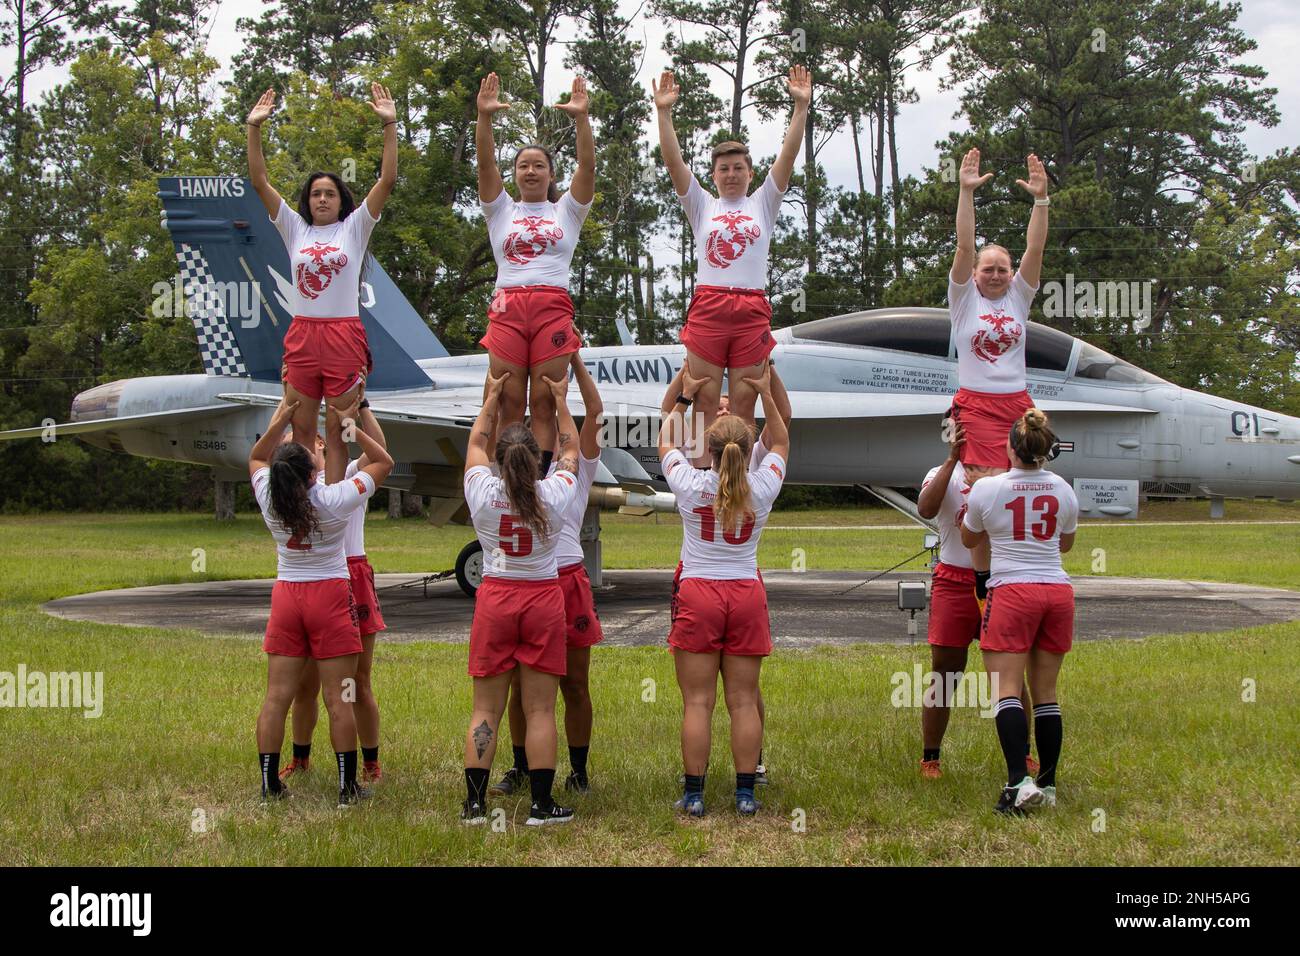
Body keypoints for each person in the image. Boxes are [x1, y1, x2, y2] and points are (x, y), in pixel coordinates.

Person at [246, 84, 398, 483]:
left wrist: (390, 124)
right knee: (300, 427)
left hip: (343, 335)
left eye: (330, 193)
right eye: (316, 194)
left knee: (340, 429)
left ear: (341, 199)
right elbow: (260, 181)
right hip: (303, 334)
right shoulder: (294, 229)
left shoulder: (355, 228)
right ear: (307, 200)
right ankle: (303, 498)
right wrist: (254, 129)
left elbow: (387, 180)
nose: (323, 199)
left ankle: (333, 503)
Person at [658, 364, 789, 816]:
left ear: (709, 450)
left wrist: (683, 395)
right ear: (748, 447)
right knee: (743, 700)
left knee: (697, 700)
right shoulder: (763, 487)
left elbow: (666, 439)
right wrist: (764, 391)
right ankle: (745, 794)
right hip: (745, 592)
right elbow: (783, 437)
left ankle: (694, 795)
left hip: (699, 590)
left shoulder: (691, 484)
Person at [249, 395, 393, 806]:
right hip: (329, 592)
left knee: (277, 695)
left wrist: (282, 415)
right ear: (313, 473)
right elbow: (383, 462)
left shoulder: (270, 497)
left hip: (287, 594)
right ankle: (347, 787)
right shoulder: (332, 499)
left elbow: (256, 460)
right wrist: (353, 425)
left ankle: (268, 783)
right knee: (340, 694)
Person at [653, 65, 810, 434]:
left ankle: (739, 480)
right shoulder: (701, 204)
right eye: (723, 168)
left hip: (751, 308)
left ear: (750, 173)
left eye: (739, 167)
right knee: (703, 399)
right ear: (714, 175)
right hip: (709, 306)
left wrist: (800, 108)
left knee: (745, 401)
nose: (731, 174)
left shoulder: (763, 203)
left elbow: (787, 157)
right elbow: (674, 163)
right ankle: (703, 480)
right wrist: (664, 113)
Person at [460, 370, 583, 826]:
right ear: (535, 463)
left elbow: (476, 444)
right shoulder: (552, 494)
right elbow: (570, 448)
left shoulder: (483, 493)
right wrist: (560, 399)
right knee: (539, 709)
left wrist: (492, 397)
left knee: (485, 708)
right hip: (541, 598)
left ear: (501, 459)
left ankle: (474, 804)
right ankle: (540, 804)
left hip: (496, 595)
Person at [491, 351, 605, 797]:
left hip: (566, 580)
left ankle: (578, 772)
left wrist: (570, 371)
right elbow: (501, 431)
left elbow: (595, 412)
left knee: (575, 684)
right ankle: (521, 766)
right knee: (522, 686)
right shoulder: (514, 481)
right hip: (528, 582)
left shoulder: (573, 473)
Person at [960, 408, 1077, 814]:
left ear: (1010, 447)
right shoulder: (1063, 488)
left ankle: (1017, 781)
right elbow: (1064, 545)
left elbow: (969, 536)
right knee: (1046, 695)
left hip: (1012, 590)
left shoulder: (988, 489)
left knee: (1006, 690)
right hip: (1057, 591)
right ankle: (1048, 783)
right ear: (1045, 450)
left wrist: (981, 492)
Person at [947, 148, 1049, 611]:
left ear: (1011, 276)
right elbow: (965, 246)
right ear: (975, 274)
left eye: (1000, 269)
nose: (993, 274)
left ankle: (1021, 569)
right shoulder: (964, 298)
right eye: (986, 269)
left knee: (1022, 483)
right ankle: (986, 581)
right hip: (976, 405)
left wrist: (1041, 202)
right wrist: (966, 193)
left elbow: (1036, 248)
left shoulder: (1018, 298)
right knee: (983, 490)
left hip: (1017, 405)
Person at [475, 72, 595, 462]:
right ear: (515, 174)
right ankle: (505, 481)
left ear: (550, 174)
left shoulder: (568, 211)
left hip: (551, 308)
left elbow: (588, 170)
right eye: (523, 165)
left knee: (545, 400)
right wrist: (484, 117)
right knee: (507, 400)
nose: (530, 171)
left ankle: (540, 484)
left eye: (538, 166)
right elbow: (485, 164)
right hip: (508, 308)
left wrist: (581, 119)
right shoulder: (500, 209)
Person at [916, 415, 1037, 779]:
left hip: (999, 582)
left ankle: (1024, 754)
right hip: (952, 579)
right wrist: (952, 459)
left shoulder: (1006, 478)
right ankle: (930, 757)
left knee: (1009, 676)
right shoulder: (942, 471)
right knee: (944, 672)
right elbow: (926, 509)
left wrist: (988, 481)